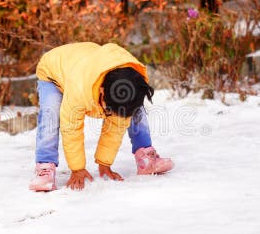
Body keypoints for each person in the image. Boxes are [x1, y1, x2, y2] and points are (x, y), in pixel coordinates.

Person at [29, 42, 174, 191]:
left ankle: (145, 157)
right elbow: (71, 127)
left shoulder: (129, 81)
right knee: (50, 114)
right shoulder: (79, 89)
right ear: (103, 91)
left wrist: (105, 164)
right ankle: (45, 167)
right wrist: (77, 168)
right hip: (54, 71)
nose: (111, 114)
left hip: (87, 63)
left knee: (135, 109)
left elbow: (116, 126)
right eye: (109, 109)